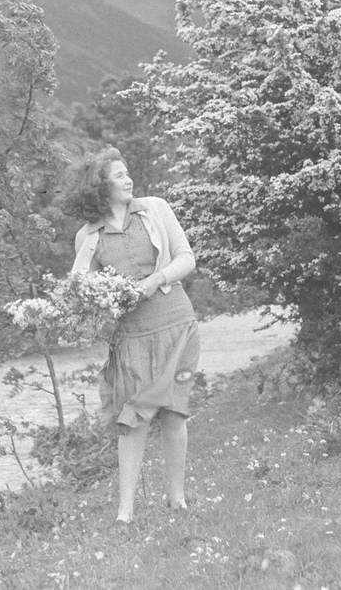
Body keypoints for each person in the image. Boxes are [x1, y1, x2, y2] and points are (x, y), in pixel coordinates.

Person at [65, 146, 199, 525]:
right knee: (133, 417)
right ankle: (125, 513)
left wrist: (156, 280)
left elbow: (186, 258)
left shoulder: (155, 208)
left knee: (174, 413)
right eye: (119, 175)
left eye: (128, 173)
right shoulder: (87, 236)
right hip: (132, 334)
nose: (129, 179)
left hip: (175, 321)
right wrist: (99, 300)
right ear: (99, 187)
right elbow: (83, 291)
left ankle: (177, 501)